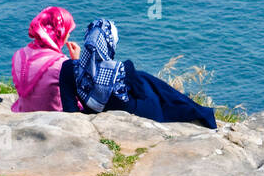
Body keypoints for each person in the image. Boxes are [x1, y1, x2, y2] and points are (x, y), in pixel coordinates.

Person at [58, 18, 216, 128]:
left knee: (148, 81)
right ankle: (200, 111)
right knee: (154, 87)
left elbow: (71, 112)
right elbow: (141, 94)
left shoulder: (68, 69)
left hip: (103, 115)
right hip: (144, 114)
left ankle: (187, 102)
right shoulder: (123, 69)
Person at [11, 7, 80, 112]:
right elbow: (77, 95)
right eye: (67, 30)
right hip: (54, 117)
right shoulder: (62, 64)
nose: (68, 34)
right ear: (58, 31)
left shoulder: (18, 55)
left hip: (22, 114)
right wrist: (75, 63)